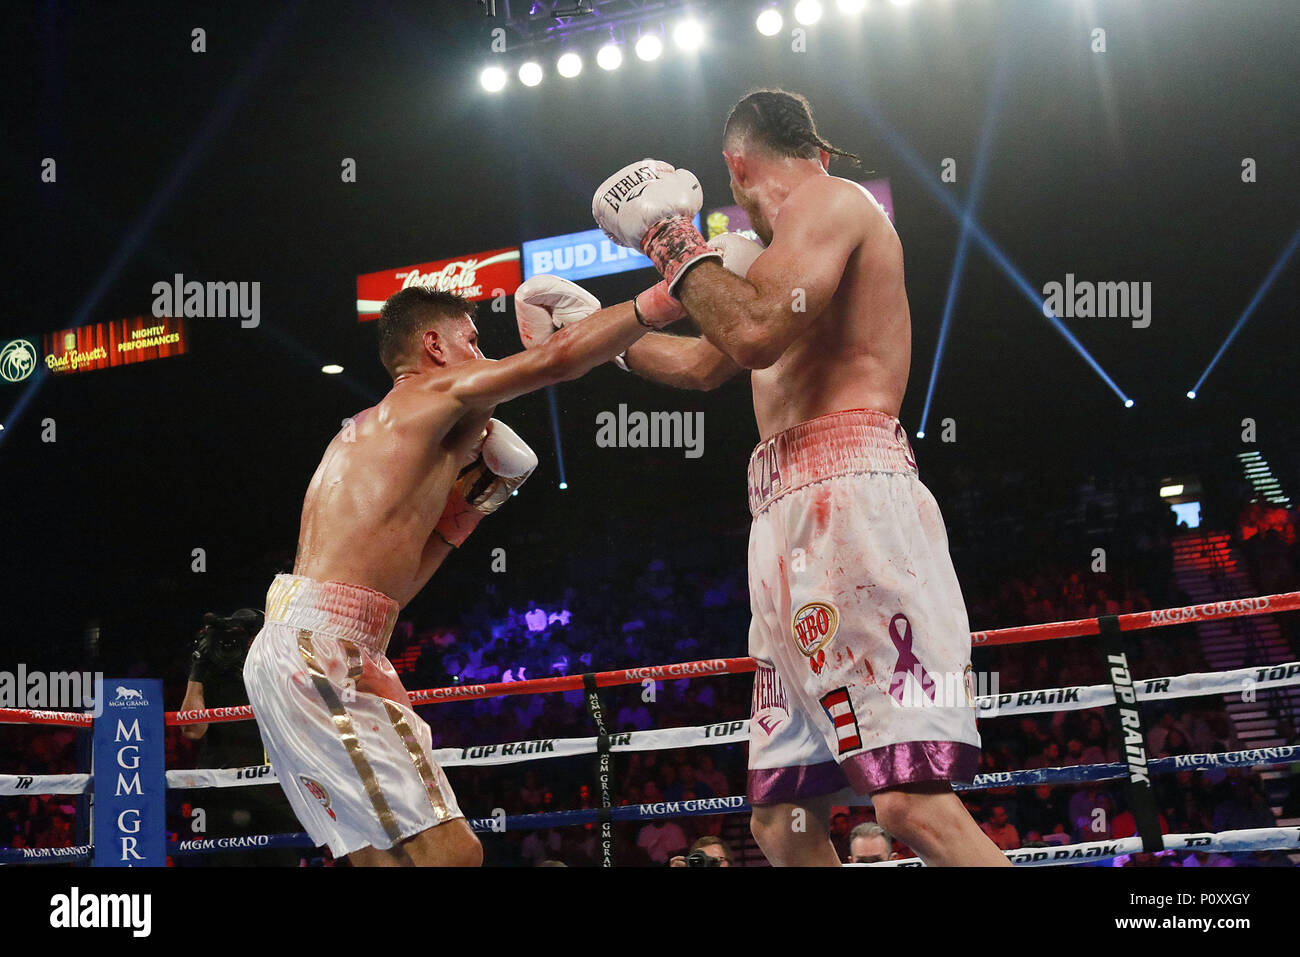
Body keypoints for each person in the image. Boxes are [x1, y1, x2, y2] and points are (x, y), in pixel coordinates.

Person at [592, 88, 1008, 866]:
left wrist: (666, 234)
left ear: (735, 164)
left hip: (853, 500)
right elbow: (702, 363)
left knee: (909, 801)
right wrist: (599, 334)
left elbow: (751, 332)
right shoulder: (770, 260)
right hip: (782, 518)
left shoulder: (831, 200)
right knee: (782, 818)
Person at [244, 274, 674, 866]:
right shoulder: (434, 392)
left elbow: (390, 594)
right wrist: (664, 294)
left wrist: (471, 510)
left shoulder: (373, 432)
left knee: (379, 861)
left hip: (309, 641)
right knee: (452, 855)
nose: (481, 355)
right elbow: (556, 363)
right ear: (435, 347)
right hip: (325, 650)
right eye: (471, 341)